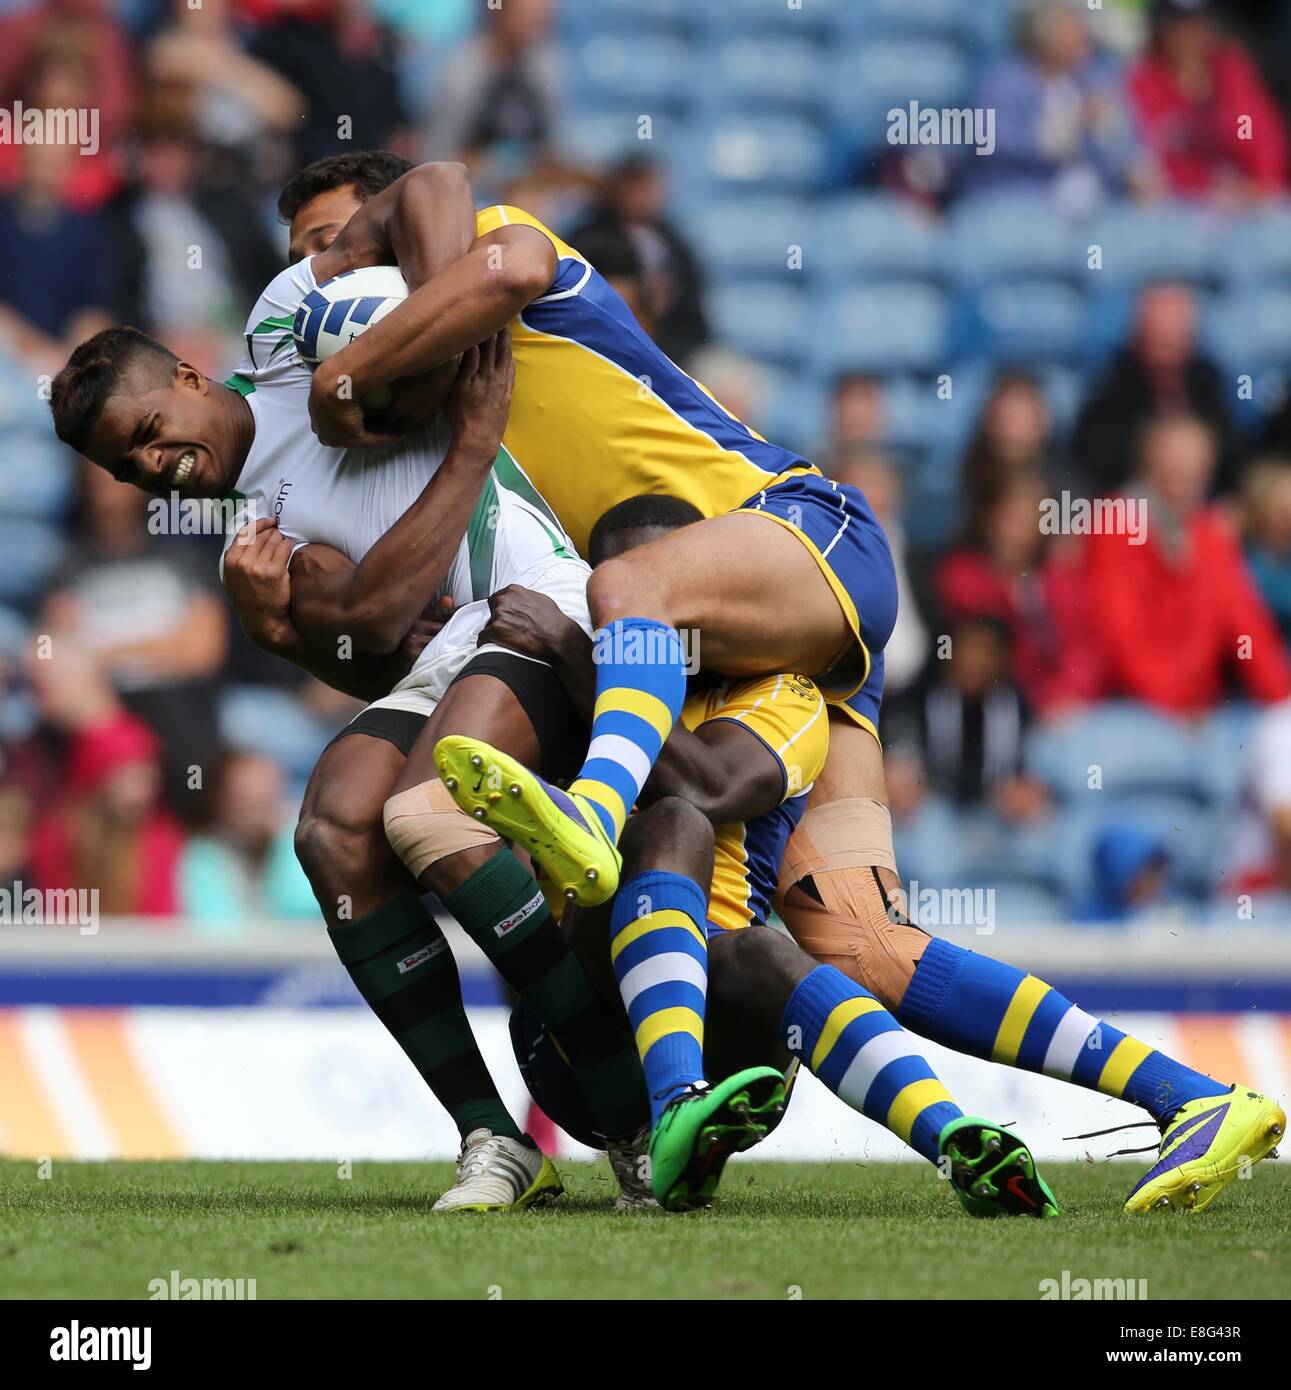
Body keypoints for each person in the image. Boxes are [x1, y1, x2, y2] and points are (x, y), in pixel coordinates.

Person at [192, 153, 1282, 1214]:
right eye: (299, 266)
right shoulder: (437, 426)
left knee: (629, 589)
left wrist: (346, 369)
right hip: (743, 654)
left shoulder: (495, 257)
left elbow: (449, 201)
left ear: (385, 222)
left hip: (798, 534)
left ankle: (594, 817)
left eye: (333, 245)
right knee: (866, 945)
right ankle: (1192, 1098)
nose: (319, 281)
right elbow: (398, 634)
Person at [481, 494, 1058, 1216]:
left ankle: (955, 1141)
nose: (648, 610)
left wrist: (575, 657)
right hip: (575, 1039)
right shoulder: (549, 684)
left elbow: (707, 782)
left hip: (733, 1037)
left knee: (735, 909)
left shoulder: (781, 693)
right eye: (623, 583)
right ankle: (668, 1111)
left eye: (667, 582)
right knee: (662, 842)